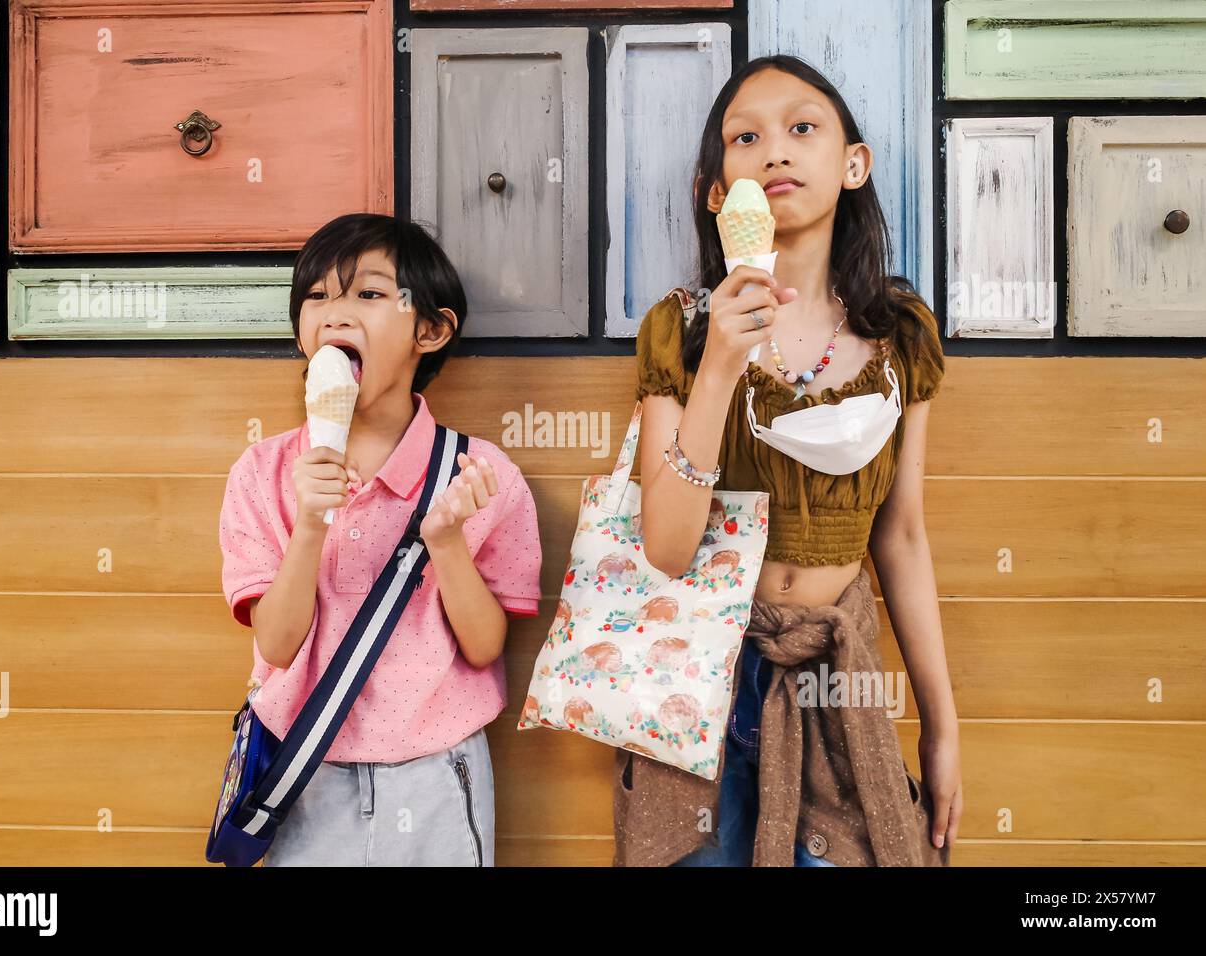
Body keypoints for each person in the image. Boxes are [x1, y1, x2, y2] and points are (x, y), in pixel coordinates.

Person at [619, 55, 962, 867]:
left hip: (835, 679)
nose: (776, 151)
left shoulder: (902, 334)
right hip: (701, 679)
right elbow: (666, 548)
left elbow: (902, 537)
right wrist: (719, 369)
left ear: (853, 165)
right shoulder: (681, 328)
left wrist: (944, 727)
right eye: (747, 137)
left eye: (802, 128)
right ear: (717, 191)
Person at [219, 213, 542, 865]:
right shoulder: (264, 473)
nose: (334, 314)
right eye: (316, 296)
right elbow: (277, 645)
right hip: (303, 769)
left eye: (367, 294)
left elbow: (484, 649)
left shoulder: (481, 476)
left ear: (431, 329)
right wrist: (310, 521)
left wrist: (446, 541)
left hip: (437, 775)